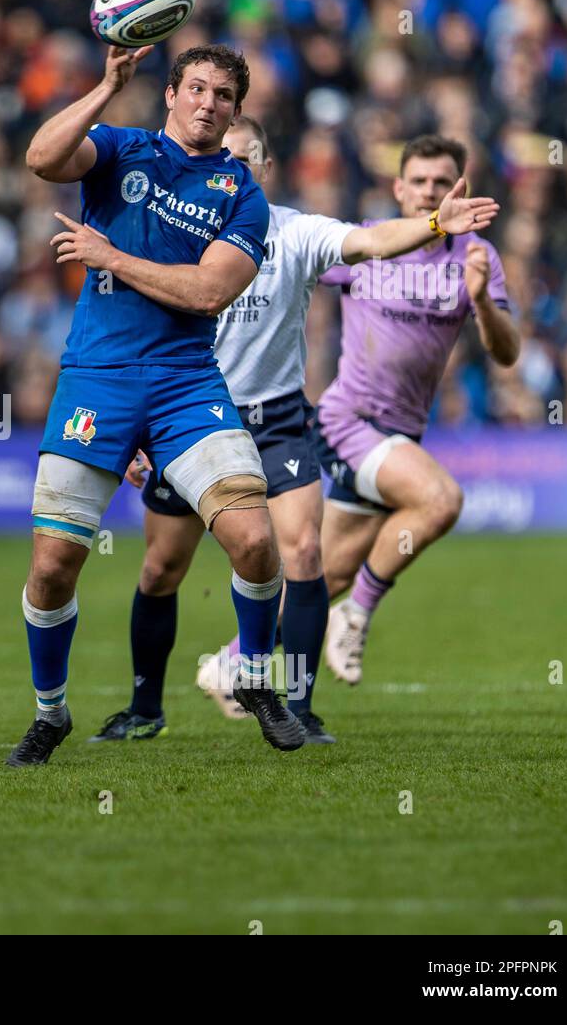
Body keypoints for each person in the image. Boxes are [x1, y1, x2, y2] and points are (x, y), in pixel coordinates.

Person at [87, 116, 499, 745]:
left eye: (248, 161)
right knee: (162, 568)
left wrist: (437, 223)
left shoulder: (296, 231)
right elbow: (138, 326)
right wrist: (139, 425)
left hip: (277, 417)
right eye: (226, 159)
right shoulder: (170, 235)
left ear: (266, 168)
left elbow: (370, 242)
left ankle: (300, 710)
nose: (236, 171)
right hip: (189, 416)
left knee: (303, 555)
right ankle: (145, 708)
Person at [9, 41, 298, 764]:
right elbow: (43, 159)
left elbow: (207, 292)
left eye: (223, 95)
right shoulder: (118, 148)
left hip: (184, 382)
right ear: (170, 94)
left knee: (257, 541)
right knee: (51, 567)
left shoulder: (243, 196)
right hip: (95, 380)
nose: (208, 103)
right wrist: (105, 85)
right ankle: (50, 713)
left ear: (236, 111)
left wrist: (110, 258)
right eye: (196, 88)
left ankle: (257, 677)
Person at [316, 134, 519, 684]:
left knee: (326, 572)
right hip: (348, 420)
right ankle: (354, 618)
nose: (431, 191)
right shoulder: (371, 242)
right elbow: (296, 267)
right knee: (440, 500)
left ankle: (234, 661)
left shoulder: (477, 255)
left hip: (404, 432)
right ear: (399, 188)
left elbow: (507, 353)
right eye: (420, 181)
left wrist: (479, 300)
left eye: (441, 181)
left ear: (460, 187)